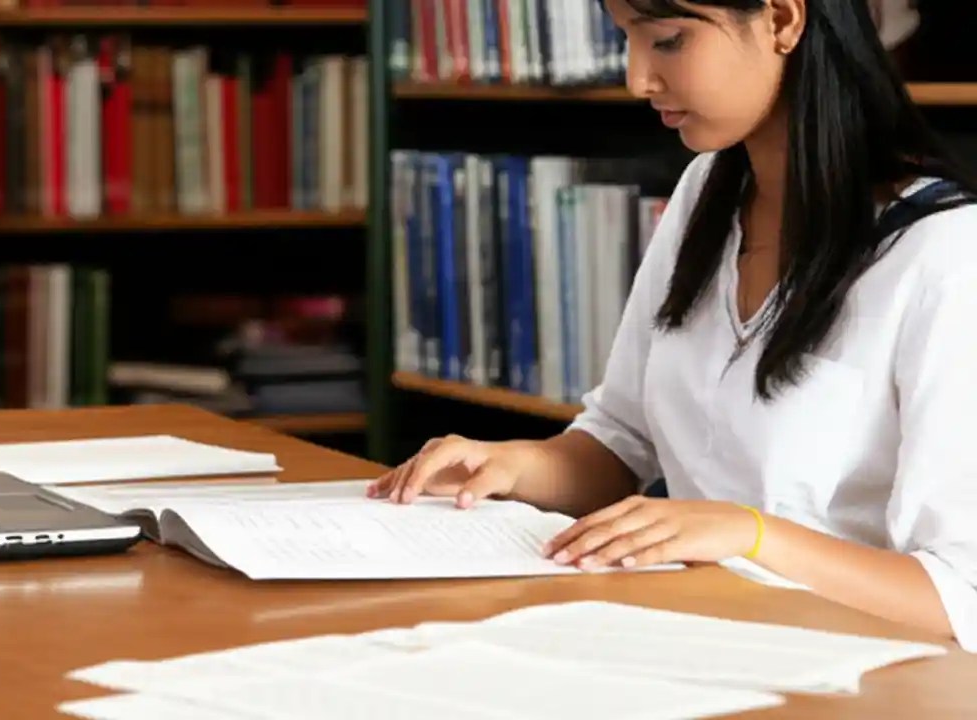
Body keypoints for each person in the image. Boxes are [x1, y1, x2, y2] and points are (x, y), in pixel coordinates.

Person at [370, 0, 977, 651]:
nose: (637, 78)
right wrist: (513, 466)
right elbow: (620, 443)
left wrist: (751, 534)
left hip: (851, 673)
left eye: (666, 41)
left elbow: (956, 594)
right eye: (625, 39)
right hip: (690, 638)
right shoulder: (705, 192)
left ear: (781, 20)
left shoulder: (945, 253)